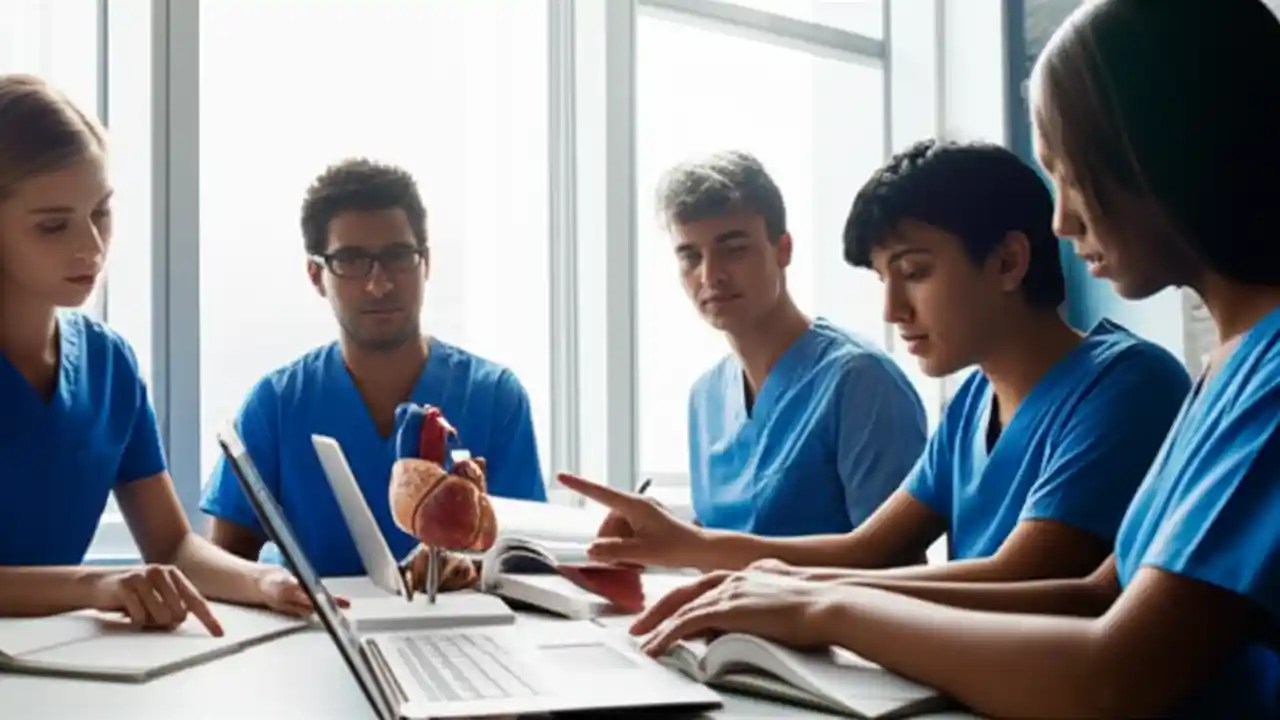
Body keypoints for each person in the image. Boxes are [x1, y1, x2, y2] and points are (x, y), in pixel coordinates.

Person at [617, 1, 1280, 717]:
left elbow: (1112, 669)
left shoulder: (1216, 379)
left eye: (1073, 173)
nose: (1061, 219)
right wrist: (796, 587)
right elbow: (1096, 594)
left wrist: (825, 609)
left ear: (1162, 145)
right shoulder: (1220, 371)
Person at [561, 140, 1189, 586]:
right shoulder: (974, 403)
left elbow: (1020, 579)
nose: (892, 310)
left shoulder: (1126, 384)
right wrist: (692, 546)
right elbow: (867, 549)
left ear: (1006, 263)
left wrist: (808, 602)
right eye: (885, 279)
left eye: (914, 273)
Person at [0, 74, 314, 633]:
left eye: (101, 213)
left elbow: (171, 544)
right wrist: (96, 585)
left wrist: (263, 581)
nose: (91, 248)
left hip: (53, 671)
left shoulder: (109, 366)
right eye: (53, 225)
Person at [201, 158, 547, 581]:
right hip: (310, 638)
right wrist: (274, 588)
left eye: (398, 257)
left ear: (426, 263)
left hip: (458, 634)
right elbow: (224, 563)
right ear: (316, 275)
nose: (378, 284)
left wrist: (470, 570)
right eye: (351, 260)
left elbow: (526, 563)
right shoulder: (276, 405)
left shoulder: (495, 398)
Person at [584, 150, 928, 539]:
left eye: (734, 249)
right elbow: (728, 540)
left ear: (783, 250)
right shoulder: (706, 396)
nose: (711, 275)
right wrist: (668, 531)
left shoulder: (860, 382)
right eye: (690, 256)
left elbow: (893, 563)